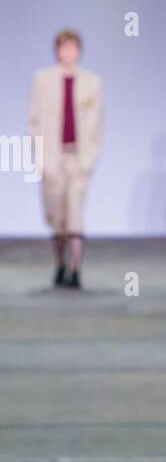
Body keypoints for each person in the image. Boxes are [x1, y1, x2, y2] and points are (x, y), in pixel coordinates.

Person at [26, 28, 102, 289]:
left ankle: (76, 269)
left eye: (72, 48)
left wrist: (90, 157)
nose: (68, 53)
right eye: (63, 47)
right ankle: (60, 264)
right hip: (52, 157)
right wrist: (39, 157)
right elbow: (34, 121)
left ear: (79, 51)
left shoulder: (92, 82)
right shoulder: (43, 79)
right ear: (57, 50)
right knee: (56, 217)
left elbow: (97, 124)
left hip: (78, 158)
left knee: (75, 213)